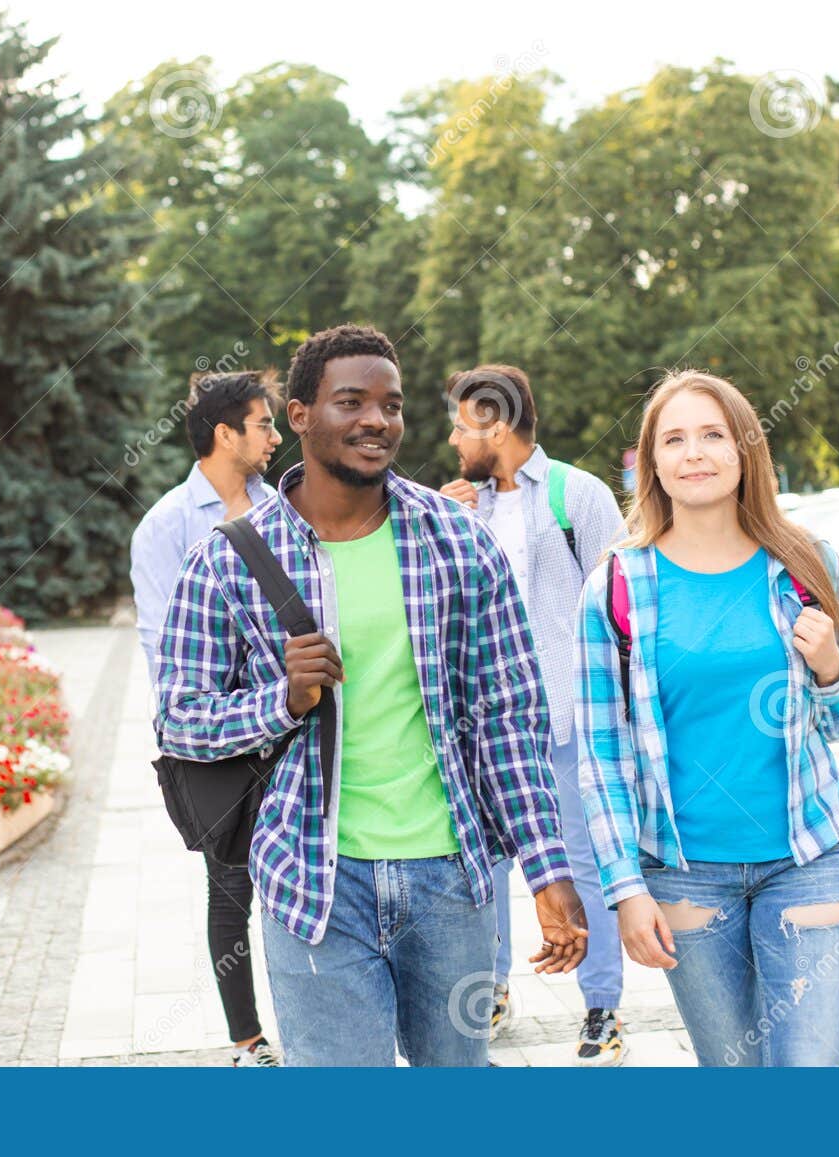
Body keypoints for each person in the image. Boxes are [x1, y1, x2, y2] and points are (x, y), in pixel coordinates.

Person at [152, 324, 589, 1067]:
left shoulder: (457, 539)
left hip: (452, 881)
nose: (376, 421)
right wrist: (281, 701)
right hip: (314, 883)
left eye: (391, 405)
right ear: (298, 415)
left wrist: (547, 867)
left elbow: (509, 716)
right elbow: (179, 719)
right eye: (350, 401)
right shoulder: (226, 560)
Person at [576, 369, 839, 1067]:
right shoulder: (616, 586)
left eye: (712, 434)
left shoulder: (806, 564)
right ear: (652, 462)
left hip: (809, 862)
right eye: (673, 439)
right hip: (684, 876)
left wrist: (830, 666)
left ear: (744, 450)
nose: (694, 452)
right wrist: (624, 887)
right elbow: (602, 755)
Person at [439, 364, 629, 1065]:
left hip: (566, 725)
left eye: (463, 424)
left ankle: (602, 1007)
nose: (454, 438)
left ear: (496, 424)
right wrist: (445, 525)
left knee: (583, 868)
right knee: (481, 869)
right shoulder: (458, 505)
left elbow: (622, 606)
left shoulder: (577, 494)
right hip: (481, 728)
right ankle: (491, 989)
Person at [129, 368, 284, 1067]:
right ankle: (247, 1038)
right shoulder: (165, 526)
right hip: (219, 743)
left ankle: (317, 1023)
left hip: (291, 728)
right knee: (230, 891)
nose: (277, 437)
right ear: (226, 434)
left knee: (305, 877)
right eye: (264, 424)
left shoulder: (284, 506)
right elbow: (168, 652)